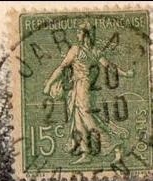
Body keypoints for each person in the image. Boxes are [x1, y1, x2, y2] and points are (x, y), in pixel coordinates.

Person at [42, 21, 133, 165]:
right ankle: (86, 153)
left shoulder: (76, 50)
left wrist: (48, 84)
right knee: (78, 119)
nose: (77, 34)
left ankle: (115, 146)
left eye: (79, 32)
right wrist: (126, 74)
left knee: (89, 119)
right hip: (79, 87)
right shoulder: (94, 51)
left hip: (82, 87)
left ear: (86, 34)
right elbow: (109, 67)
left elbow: (62, 67)